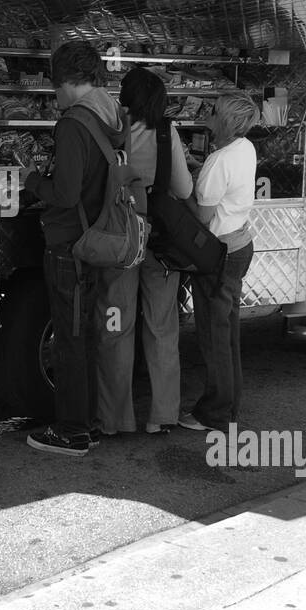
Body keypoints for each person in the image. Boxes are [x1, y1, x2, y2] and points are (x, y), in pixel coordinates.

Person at [22, 40, 128, 457]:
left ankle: (71, 431)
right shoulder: (110, 114)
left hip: (71, 243)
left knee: (69, 337)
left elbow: (64, 194)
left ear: (65, 81)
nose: (54, 95)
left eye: (55, 86)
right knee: (86, 334)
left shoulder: (73, 124)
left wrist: (32, 179)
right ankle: (90, 421)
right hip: (97, 237)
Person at [96, 67, 194, 435]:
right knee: (162, 328)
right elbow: (183, 190)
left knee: (116, 326)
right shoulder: (169, 133)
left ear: (127, 98)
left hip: (121, 238)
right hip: (161, 242)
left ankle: (114, 419)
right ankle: (162, 416)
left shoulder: (112, 132)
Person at [178, 93, 260, 432]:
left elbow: (202, 215)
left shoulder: (218, 161)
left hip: (219, 253)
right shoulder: (245, 149)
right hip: (241, 245)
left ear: (224, 120)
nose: (206, 114)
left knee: (215, 337)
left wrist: (185, 186)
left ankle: (215, 414)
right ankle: (228, 407)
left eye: (212, 111)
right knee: (227, 335)